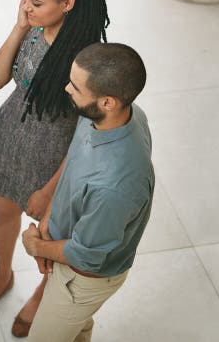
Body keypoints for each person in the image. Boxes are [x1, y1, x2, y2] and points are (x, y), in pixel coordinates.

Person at [0, 0, 110, 337]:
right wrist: (18, 27)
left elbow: (86, 133)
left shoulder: (87, 60)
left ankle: (42, 294)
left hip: (56, 157)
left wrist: (49, 190)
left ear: (68, 3)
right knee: (3, 210)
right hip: (11, 135)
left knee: (50, 235)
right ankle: (1, 277)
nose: (26, 7)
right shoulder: (30, 27)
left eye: (36, 2)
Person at [21, 42, 152, 342]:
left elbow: (86, 256)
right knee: (77, 329)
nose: (67, 88)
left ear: (107, 102)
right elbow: (77, 159)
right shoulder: (112, 116)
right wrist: (49, 217)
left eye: (75, 87)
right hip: (67, 256)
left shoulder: (116, 186)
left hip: (81, 281)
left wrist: (37, 247)